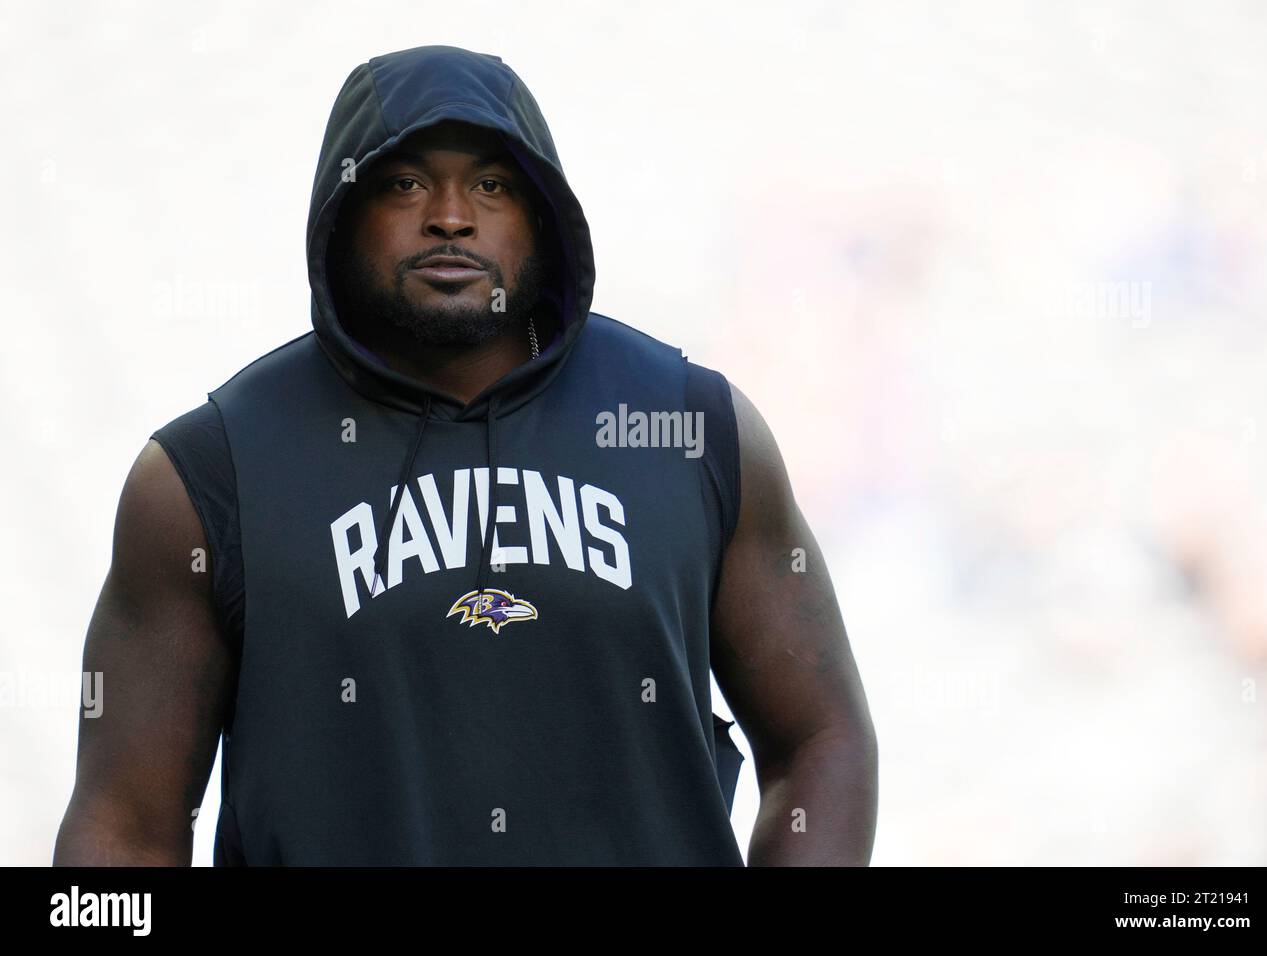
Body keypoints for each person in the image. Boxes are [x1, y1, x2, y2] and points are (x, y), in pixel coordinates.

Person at [54, 45, 877, 866]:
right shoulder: (210, 477)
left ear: (545, 215)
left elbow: (822, 738)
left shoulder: (688, 426)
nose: (450, 215)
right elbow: (123, 827)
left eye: (492, 184)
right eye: (404, 183)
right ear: (341, 212)